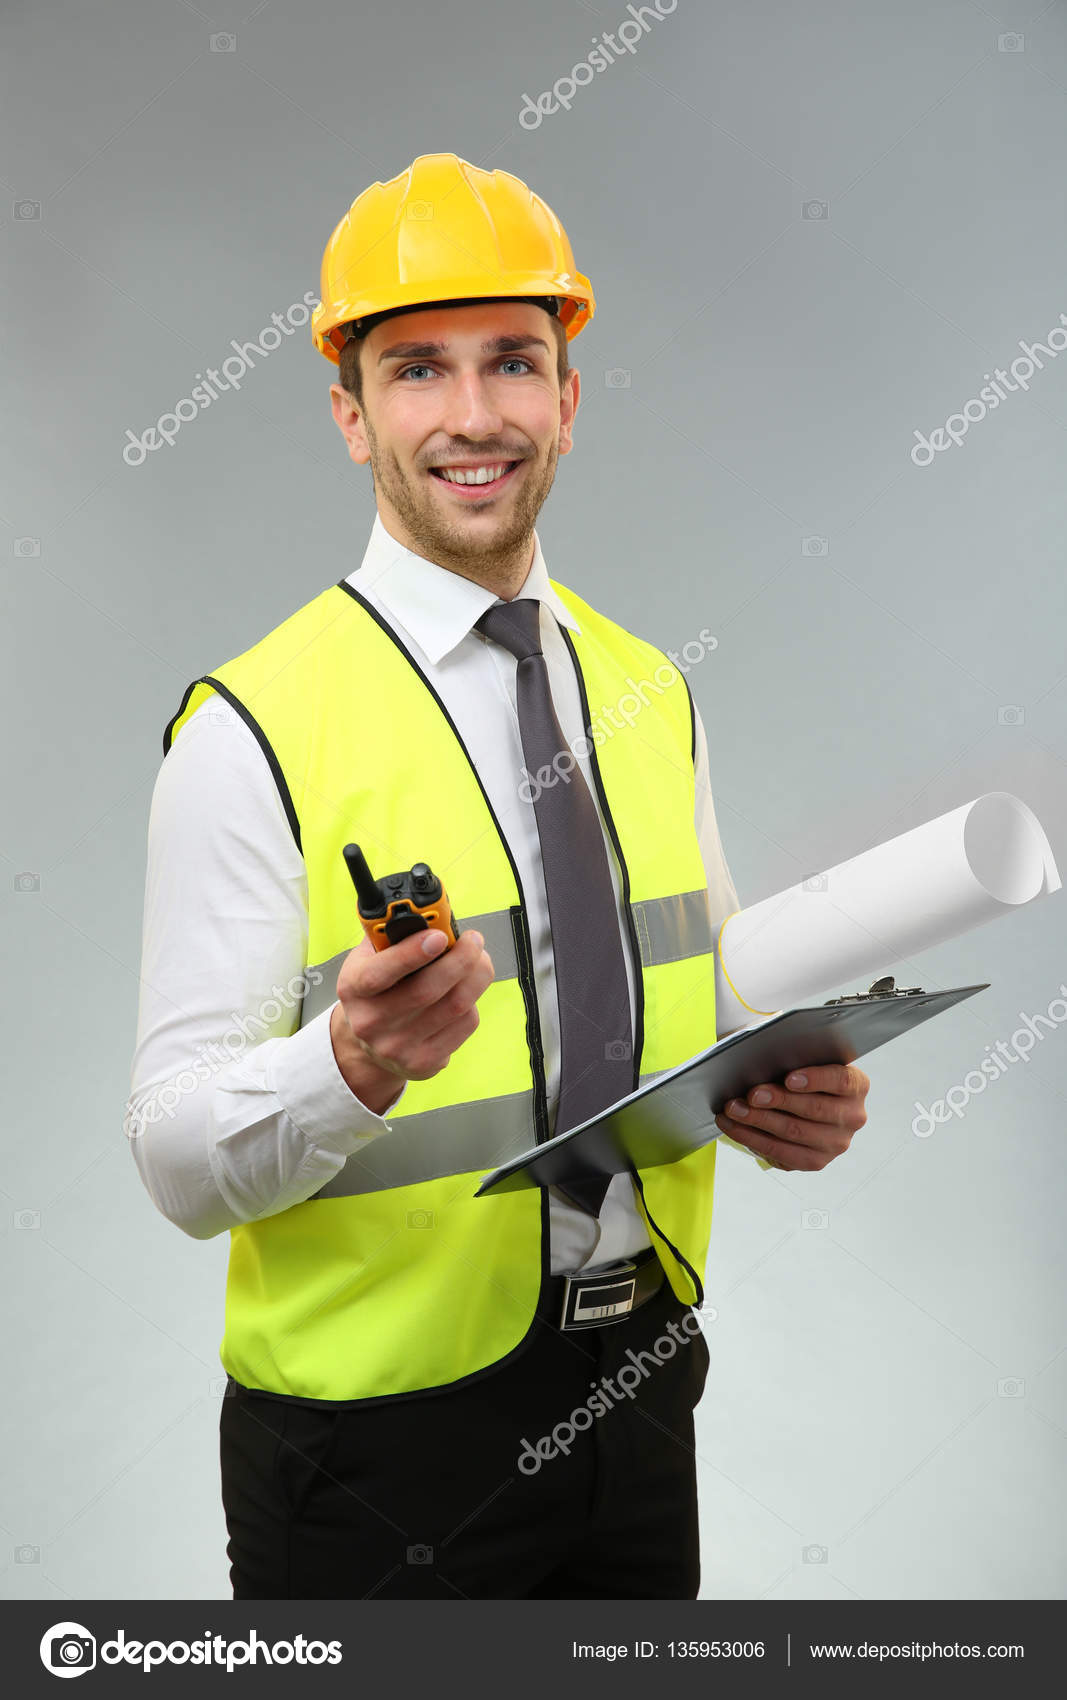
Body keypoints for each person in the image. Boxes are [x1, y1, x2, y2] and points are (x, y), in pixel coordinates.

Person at [127, 152, 870, 1600]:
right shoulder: (250, 732)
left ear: (569, 399)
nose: (474, 417)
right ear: (351, 415)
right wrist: (345, 1065)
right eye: (417, 370)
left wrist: (788, 1092)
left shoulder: (653, 689)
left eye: (513, 364)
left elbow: (685, 1007)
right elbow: (172, 1160)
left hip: (639, 1387)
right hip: (372, 1456)